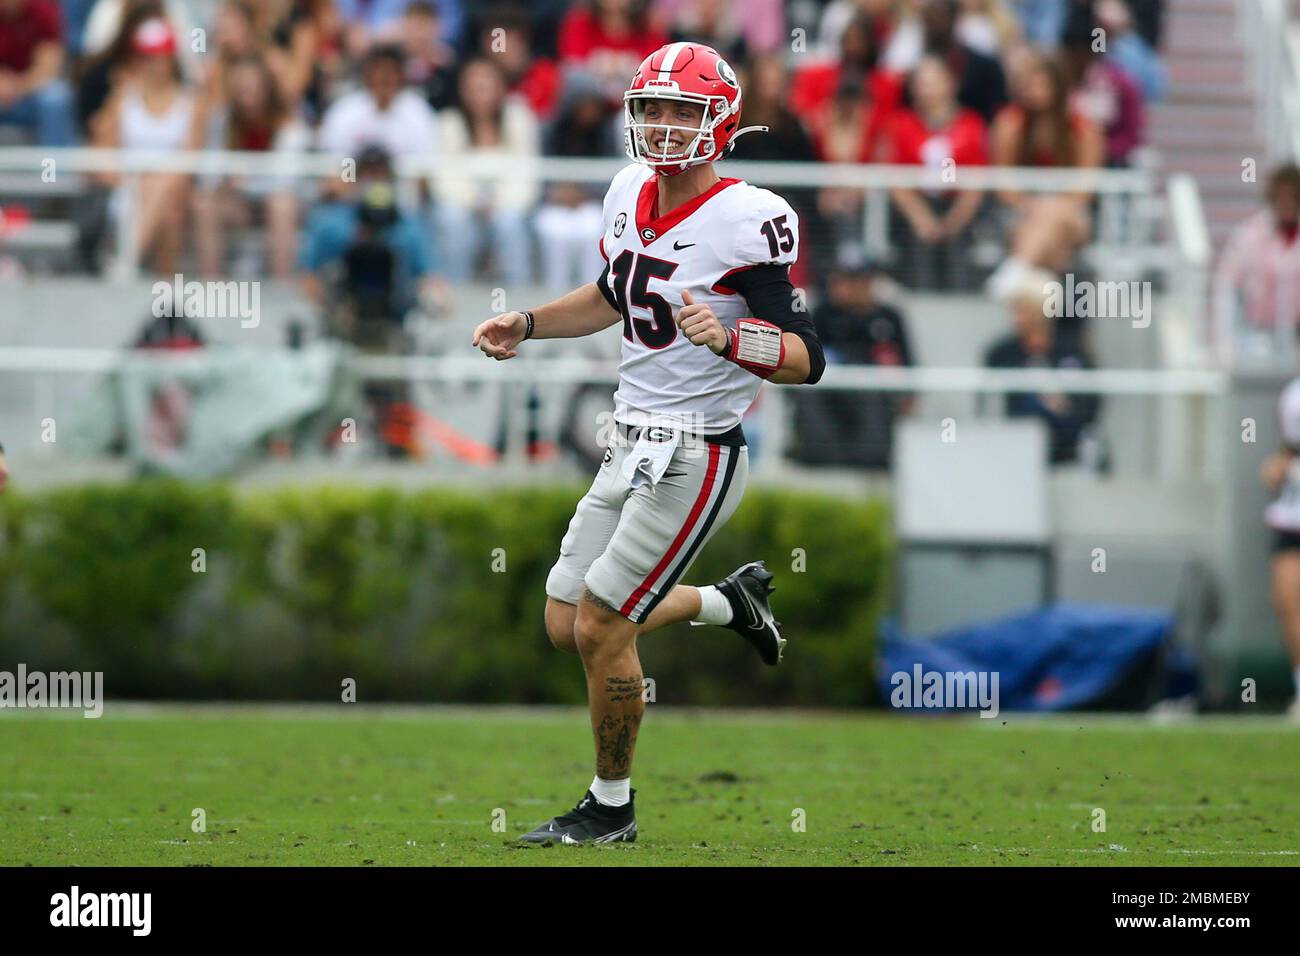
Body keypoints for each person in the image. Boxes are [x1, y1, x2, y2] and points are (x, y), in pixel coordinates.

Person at [471, 42, 825, 845]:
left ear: (721, 120)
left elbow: (809, 357)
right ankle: (727, 602)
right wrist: (527, 324)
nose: (664, 128)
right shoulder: (627, 190)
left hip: (700, 451)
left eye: (683, 112)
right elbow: (611, 293)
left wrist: (735, 342)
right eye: (653, 110)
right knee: (566, 622)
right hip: (629, 438)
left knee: (602, 627)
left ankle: (610, 807)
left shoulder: (748, 218)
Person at [794, 253, 914, 468]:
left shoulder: (889, 317)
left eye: (854, 280)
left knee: (874, 399)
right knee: (808, 394)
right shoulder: (822, 315)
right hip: (829, 393)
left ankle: (872, 462)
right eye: (840, 279)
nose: (843, 287)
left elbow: (908, 366)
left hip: (877, 395)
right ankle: (821, 458)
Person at [984, 268, 1100, 464]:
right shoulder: (1001, 354)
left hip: (1066, 454)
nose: (1017, 317)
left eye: (1023, 309)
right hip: (1011, 453)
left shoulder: (1071, 353)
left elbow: (1089, 406)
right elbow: (991, 406)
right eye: (1015, 309)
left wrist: (1059, 407)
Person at [1213, 163, 1300, 365]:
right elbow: (1227, 291)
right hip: (1258, 337)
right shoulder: (1249, 236)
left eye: (1293, 196)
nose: (1287, 202)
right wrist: (1226, 343)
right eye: (1282, 196)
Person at [1260, 377, 1300, 720]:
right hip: (1292, 518)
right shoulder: (1293, 396)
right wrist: (1278, 467)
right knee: (1288, 604)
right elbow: (1289, 449)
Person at [0, 0, 78, 146]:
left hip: (30, 94)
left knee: (55, 97)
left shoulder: (44, 9)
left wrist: (17, 86)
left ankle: (55, 167)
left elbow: (48, 67)